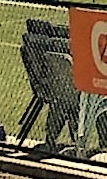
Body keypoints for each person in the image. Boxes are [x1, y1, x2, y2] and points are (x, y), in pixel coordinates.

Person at [15, 16, 81, 149]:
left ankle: (53, 140)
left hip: (49, 87)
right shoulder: (55, 55)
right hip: (62, 89)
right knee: (64, 99)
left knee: (62, 99)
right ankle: (81, 141)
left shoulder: (35, 49)